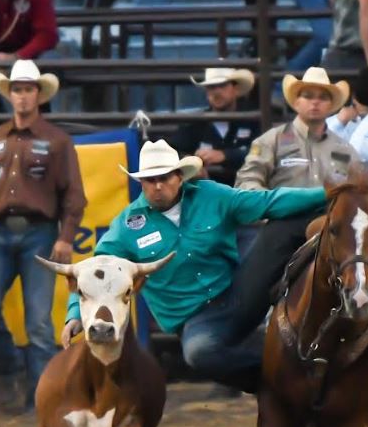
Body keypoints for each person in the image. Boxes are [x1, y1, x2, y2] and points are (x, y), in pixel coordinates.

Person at [61, 140, 328, 394]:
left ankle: (339, 288)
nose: (157, 186)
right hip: (194, 318)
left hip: (237, 292)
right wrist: (75, 313)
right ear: (141, 183)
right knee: (200, 353)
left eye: (164, 177)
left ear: (179, 176)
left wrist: (331, 194)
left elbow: (268, 202)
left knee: (285, 225)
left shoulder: (211, 195)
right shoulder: (127, 226)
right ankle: (287, 381)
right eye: (150, 180)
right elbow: (95, 270)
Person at [0, 59, 85, 412]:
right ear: (10, 95)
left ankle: (43, 396)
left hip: (40, 234)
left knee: (39, 322)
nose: (23, 97)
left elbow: (73, 195)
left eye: (28, 90)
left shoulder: (57, 142)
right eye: (18, 90)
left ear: (38, 95)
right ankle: (11, 371)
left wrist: (66, 237)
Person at [229, 67, 357, 332]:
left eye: (322, 97)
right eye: (308, 95)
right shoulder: (271, 141)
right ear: (296, 101)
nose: (314, 101)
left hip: (332, 228)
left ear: (331, 105)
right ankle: (248, 334)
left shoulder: (344, 149)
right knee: (249, 294)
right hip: (282, 225)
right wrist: (268, 206)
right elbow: (247, 183)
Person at [168, 67, 261, 187]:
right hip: (205, 193)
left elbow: (263, 152)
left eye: (222, 86)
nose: (216, 92)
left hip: (246, 190)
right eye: (211, 87)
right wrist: (191, 163)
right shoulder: (195, 123)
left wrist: (225, 155)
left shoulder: (252, 120)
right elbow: (172, 151)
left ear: (235, 88)